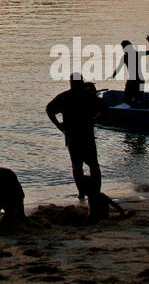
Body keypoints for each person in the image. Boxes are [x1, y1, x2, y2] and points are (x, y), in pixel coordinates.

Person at [46, 72, 108, 200]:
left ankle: (81, 193)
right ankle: (96, 192)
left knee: (78, 166)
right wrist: (95, 120)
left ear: (71, 83)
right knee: (93, 165)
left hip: (73, 136)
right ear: (82, 82)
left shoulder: (65, 97)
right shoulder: (89, 96)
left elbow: (49, 110)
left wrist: (59, 125)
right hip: (86, 135)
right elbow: (105, 109)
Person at [110, 35, 149, 104]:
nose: (123, 49)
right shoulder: (136, 54)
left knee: (129, 99)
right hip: (140, 80)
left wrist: (113, 76)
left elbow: (118, 69)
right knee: (137, 99)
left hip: (135, 81)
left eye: (123, 47)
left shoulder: (127, 56)